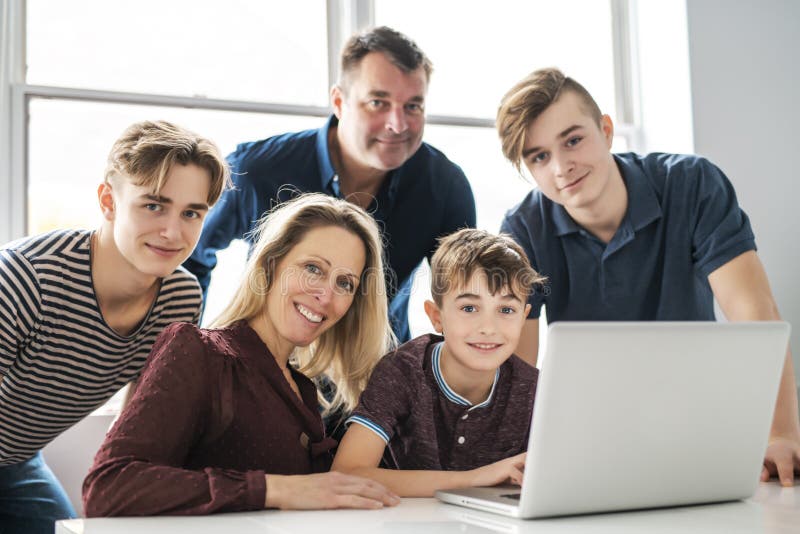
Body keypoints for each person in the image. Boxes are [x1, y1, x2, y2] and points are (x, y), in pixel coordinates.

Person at [495, 67, 800, 486]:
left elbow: (753, 309)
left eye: (573, 140)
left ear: (605, 130)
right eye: (539, 156)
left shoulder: (693, 184)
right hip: (585, 439)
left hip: (699, 425)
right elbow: (519, 363)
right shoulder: (523, 228)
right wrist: (513, 455)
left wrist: (780, 433)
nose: (562, 166)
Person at [82, 193, 400, 516]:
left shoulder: (303, 391)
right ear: (271, 263)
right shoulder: (199, 352)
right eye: (313, 268)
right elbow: (108, 487)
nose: (325, 295)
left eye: (345, 283)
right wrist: (275, 489)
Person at [0, 120, 229, 532]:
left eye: (191, 212)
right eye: (153, 205)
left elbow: (138, 420)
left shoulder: (181, 297)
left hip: (16, 461)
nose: (172, 232)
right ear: (108, 201)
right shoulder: (24, 279)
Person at [184, 26, 476, 343]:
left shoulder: (445, 186)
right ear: (339, 101)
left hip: (379, 372)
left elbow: (466, 300)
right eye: (378, 102)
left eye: (413, 106)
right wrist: (184, 355)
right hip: (267, 368)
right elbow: (191, 259)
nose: (398, 124)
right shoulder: (257, 169)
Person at [332, 229, 544, 497]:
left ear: (523, 317)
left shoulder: (534, 390)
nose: (489, 328)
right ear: (436, 316)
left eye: (506, 310)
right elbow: (346, 474)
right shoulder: (401, 372)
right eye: (469, 308)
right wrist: (475, 479)